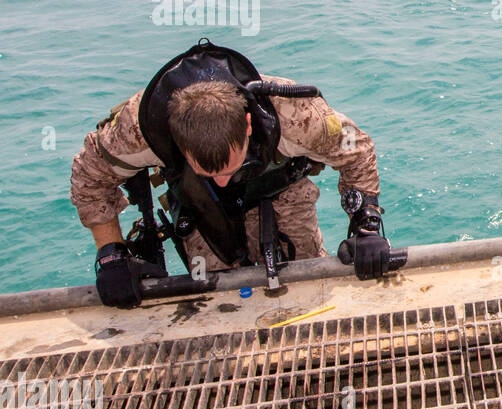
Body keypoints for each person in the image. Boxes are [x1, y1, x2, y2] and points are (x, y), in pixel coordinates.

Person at [71, 39, 394, 308]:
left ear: (249, 127)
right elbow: (90, 175)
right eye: (209, 170)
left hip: (282, 191)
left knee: (306, 284)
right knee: (218, 299)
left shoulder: (297, 117)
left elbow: (357, 151)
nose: (224, 179)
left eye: (229, 167)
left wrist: (365, 223)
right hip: (201, 206)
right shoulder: (140, 130)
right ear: (180, 149)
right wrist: (111, 255)